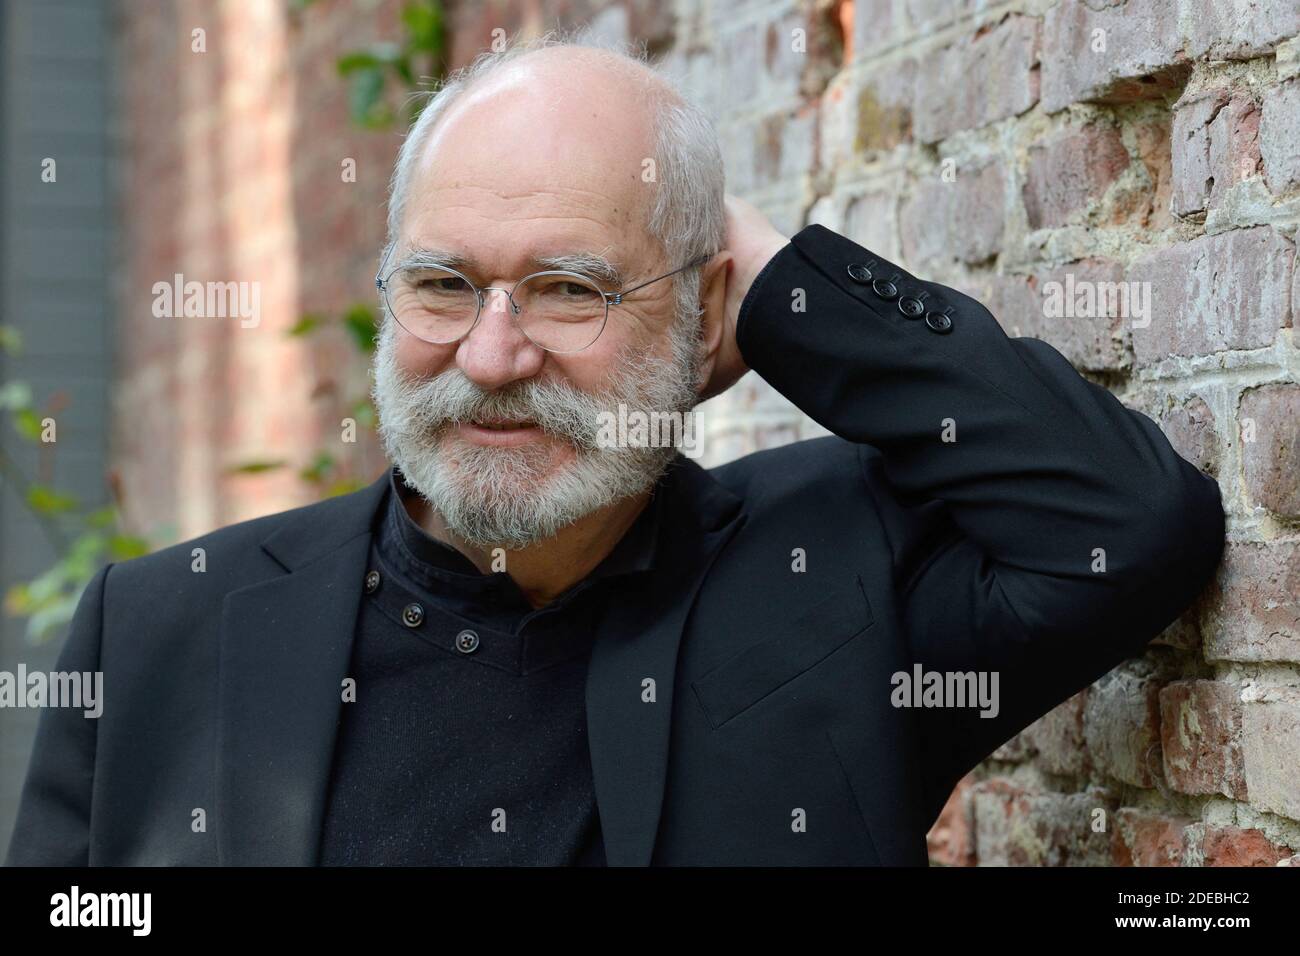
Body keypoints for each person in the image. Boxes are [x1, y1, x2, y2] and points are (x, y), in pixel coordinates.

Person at [6, 36, 1224, 866]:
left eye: (567, 288)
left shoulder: (841, 581)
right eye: (441, 283)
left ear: (702, 315)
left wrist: (785, 294)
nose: (490, 355)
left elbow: (1125, 522)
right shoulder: (164, 624)